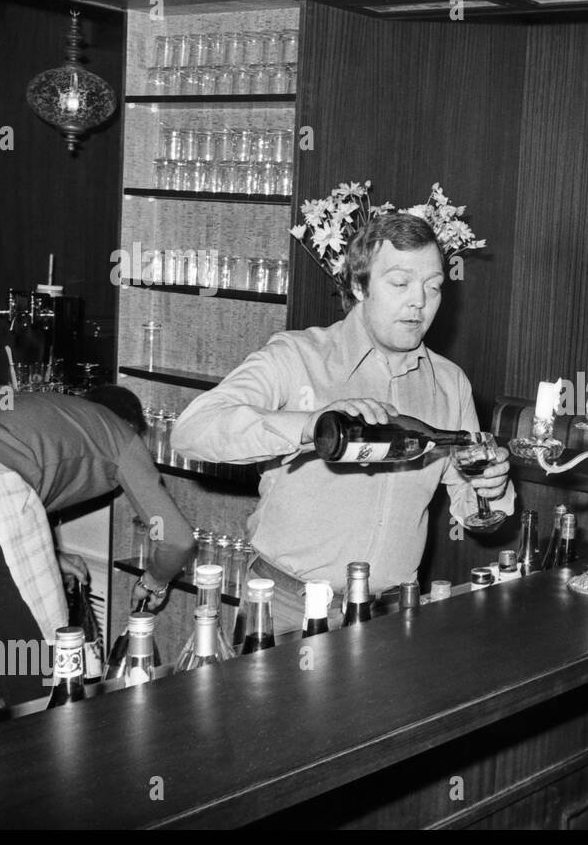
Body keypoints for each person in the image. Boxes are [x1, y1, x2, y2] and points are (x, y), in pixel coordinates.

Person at [172, 213, 513, 628]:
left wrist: (490, 491)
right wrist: (311, 424)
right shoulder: (297, 356)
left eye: (433, 286)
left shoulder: (450, 382)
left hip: (391, 615)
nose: (419, 302)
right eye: (400, 283)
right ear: (358, 286)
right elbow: (192, 431)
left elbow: (470, 506)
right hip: (285, 609)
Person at [0, 387, 194, 704]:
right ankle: (38, 748)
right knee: (38, 662)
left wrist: (51, 557)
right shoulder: (118, 432)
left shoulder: (44, 408)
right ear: (132, 424)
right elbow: (177, 539)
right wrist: (154, 580)